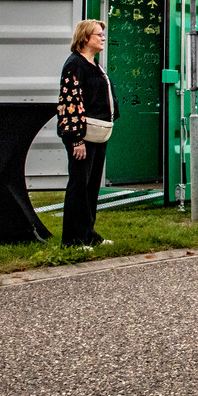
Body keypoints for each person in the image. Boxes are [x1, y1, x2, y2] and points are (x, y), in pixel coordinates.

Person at [57, 19, 117, 248]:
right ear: (85, 38)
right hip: (82, 136)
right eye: (98, 34)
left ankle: (88, 234)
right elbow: (70, 102)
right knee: (79, 186)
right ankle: (72, 240)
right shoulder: (75, 65)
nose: (102, 38)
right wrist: (76, 140)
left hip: (98, 134)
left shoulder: (94, 65)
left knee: (91, 187)